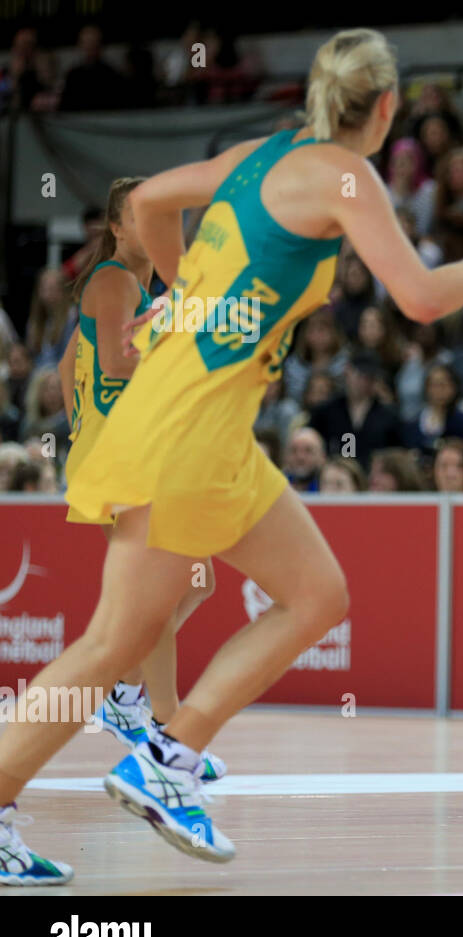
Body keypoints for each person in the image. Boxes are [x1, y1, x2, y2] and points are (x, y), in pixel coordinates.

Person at [0, 28, 463, 886]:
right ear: (386, 107)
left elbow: (143, 205)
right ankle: (151, 766)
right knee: (116, 642)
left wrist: (185, 297)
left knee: (310, 596)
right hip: (192, 431)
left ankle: (165, 759)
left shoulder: (258, 154)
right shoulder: (347, 175)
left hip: (195, 425)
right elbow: (423, 298)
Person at [57, 176, 225, 788]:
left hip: (132, 455)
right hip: (124, 464)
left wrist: (86, 428)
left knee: (200, 578)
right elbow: (117, 360)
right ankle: (167, 734)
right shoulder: (114, 280)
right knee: (158, 594)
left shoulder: (133, 285)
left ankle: (125, 694)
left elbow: (64, 363)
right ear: (118, 228)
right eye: (144, 219)